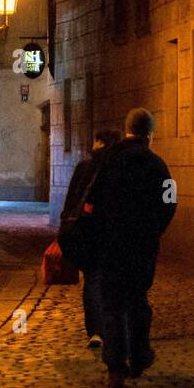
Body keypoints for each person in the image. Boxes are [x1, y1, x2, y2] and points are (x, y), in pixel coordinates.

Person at [89, 107, 177, 388]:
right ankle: (140, 356)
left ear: (127, 130)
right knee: (138, 300)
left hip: (110, 245)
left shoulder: (108, 161)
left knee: (112, 304)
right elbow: (170, 201)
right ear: (149, 134)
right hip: (142, 245)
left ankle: (116, 367)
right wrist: (154, 230)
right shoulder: (157, 165)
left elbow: (93, 200)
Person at [60, 129, 121, 348]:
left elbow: (71, 200)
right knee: (113, 280)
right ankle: (114, 327)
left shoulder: (84, 166)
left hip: (86, 232)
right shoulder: (119, 168)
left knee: (92, 279)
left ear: (98, 142)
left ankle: (96, 330)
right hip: (112, 233)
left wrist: (65, 223)